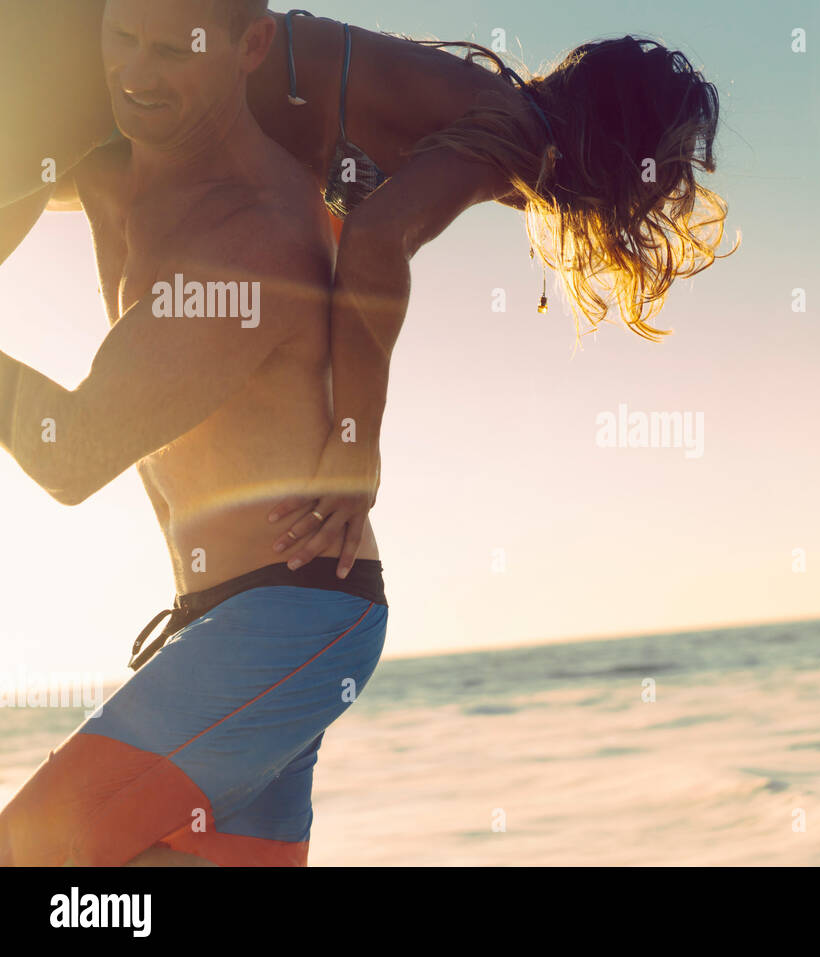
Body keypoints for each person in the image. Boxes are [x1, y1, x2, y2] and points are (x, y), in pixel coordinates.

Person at [0, 1, 735, 580]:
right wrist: (357, 444)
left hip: (96, 71)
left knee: (84, 437)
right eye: (664, 171)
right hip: (85, 67)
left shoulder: (485, 106)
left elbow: (147, 202)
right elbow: (379, 241)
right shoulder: (515, 136)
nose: (658, 196)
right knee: (78, 448)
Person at [0, 0, 388, 866]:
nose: (139, 73)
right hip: (231, 619)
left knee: (31, 853)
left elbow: (70, 453)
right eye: (123, 40)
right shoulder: (109, 177)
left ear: (250, 45)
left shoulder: (250, 237)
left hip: (292, 617)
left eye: (176, 49)